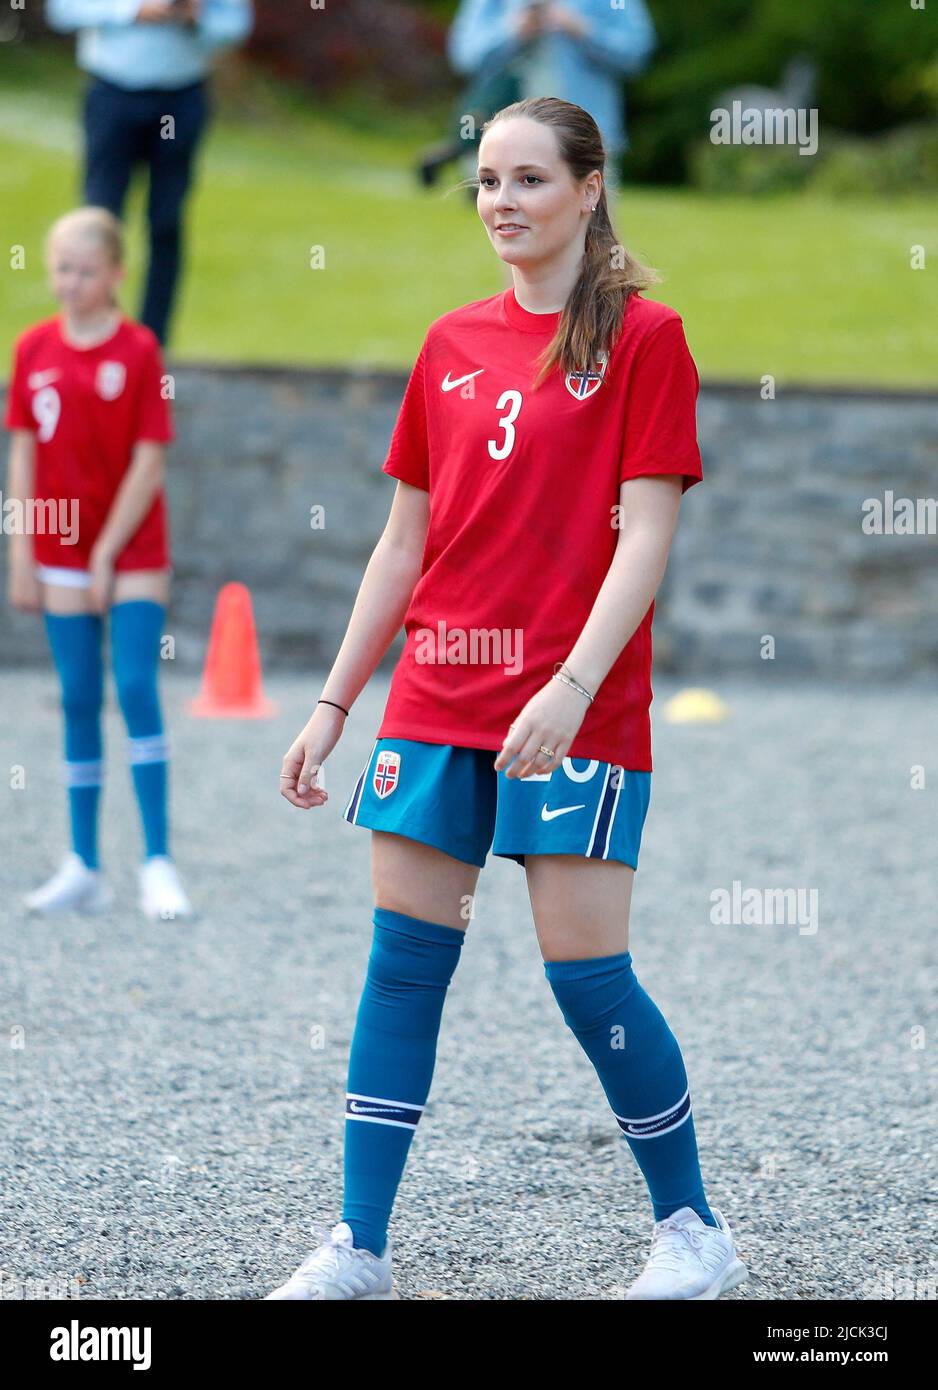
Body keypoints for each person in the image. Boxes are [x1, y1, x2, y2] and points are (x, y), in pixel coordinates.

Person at [267, 97, 747, 1301]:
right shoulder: (447, 344)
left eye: (528, 179)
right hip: (434, 696)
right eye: (486, 180)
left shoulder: (648, 338)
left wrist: (573, 685)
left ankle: (692, 1230)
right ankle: (358, 1247)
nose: (501, 202)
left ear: (588, 189)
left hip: (572, 707)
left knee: (587, 975)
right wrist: (332, 705)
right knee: (401, 965)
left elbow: (645, 540)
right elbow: (399, 545)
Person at [4, 206, 192, 922]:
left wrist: (108, 551)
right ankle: (82, 862)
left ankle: (157, 862)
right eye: (61, 269)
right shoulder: (32, 348)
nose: (70, 282)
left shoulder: (139, 349)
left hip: (132, 548)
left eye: (85, 270)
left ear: (115, 274)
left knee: (135, 686)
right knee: (78, 697)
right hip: (56, 551)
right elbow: (22, 448)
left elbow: (150, 459)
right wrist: (21, 547)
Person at [45, 0, 255, 347]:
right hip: (112, 93)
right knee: (97, 224)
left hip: (179, 99)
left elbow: (236, 24)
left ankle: (150, 349)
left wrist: (196, 18)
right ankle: (88, 340)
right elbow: (64, 10)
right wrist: (132, 11)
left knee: (166, 223)